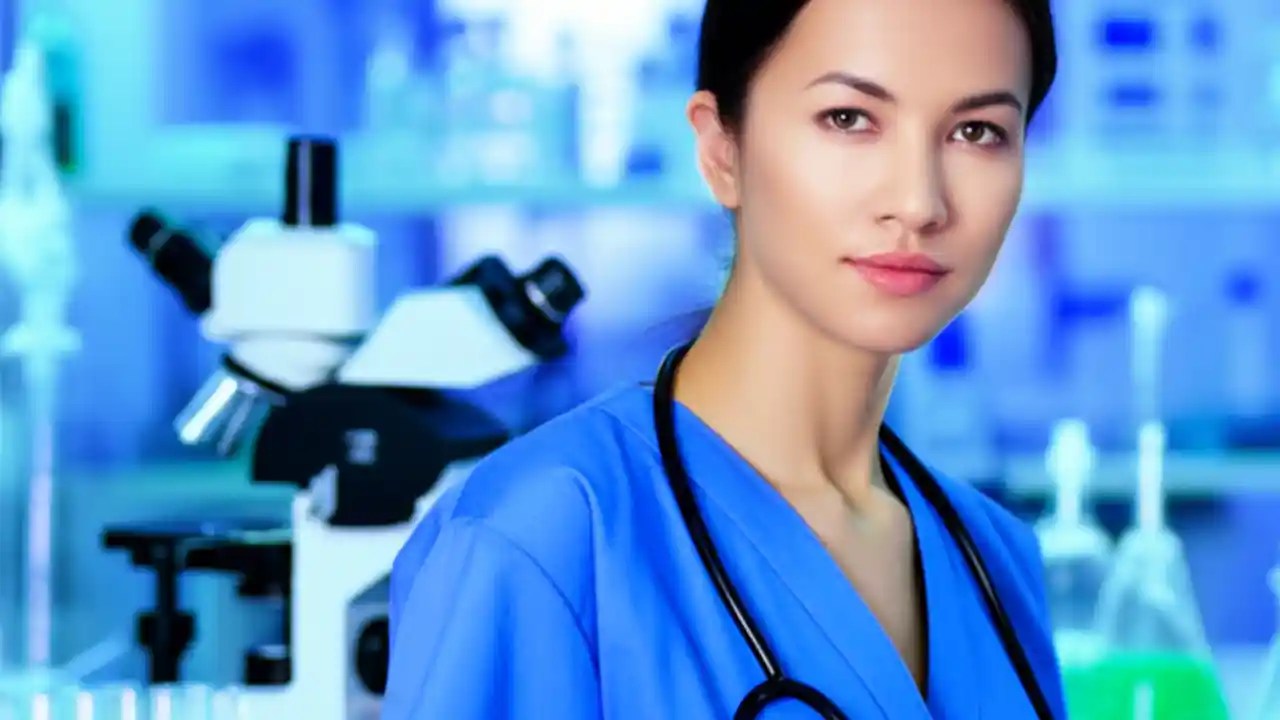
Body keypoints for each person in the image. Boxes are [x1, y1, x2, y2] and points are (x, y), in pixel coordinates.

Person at [383, 0, 1065, 717]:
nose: (920, 202)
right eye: (848, 119)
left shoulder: (994, 561)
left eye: (977, 132)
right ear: (720, 151)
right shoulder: (541, 538)